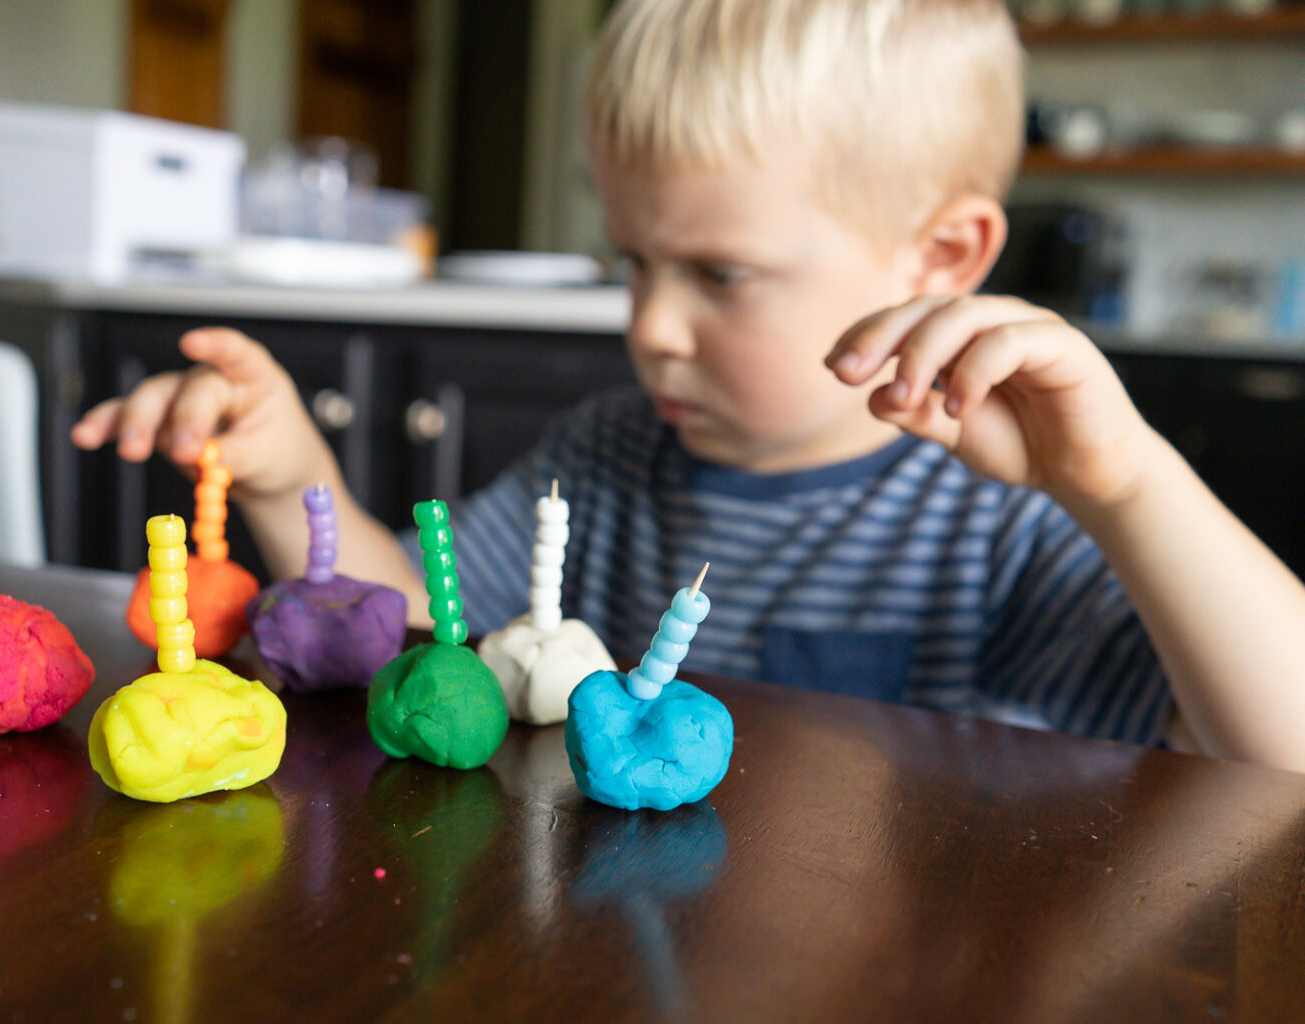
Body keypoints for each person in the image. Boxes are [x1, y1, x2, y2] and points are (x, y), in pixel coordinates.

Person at [71, 0, 1305, 771]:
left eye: (721, 272)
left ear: (941, 259)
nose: (651, 325)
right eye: (634, 262)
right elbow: (421, 636)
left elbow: (1282, 751)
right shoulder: (602, 456)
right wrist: (298, 480)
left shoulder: (1007, 516)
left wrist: (1128, 486)